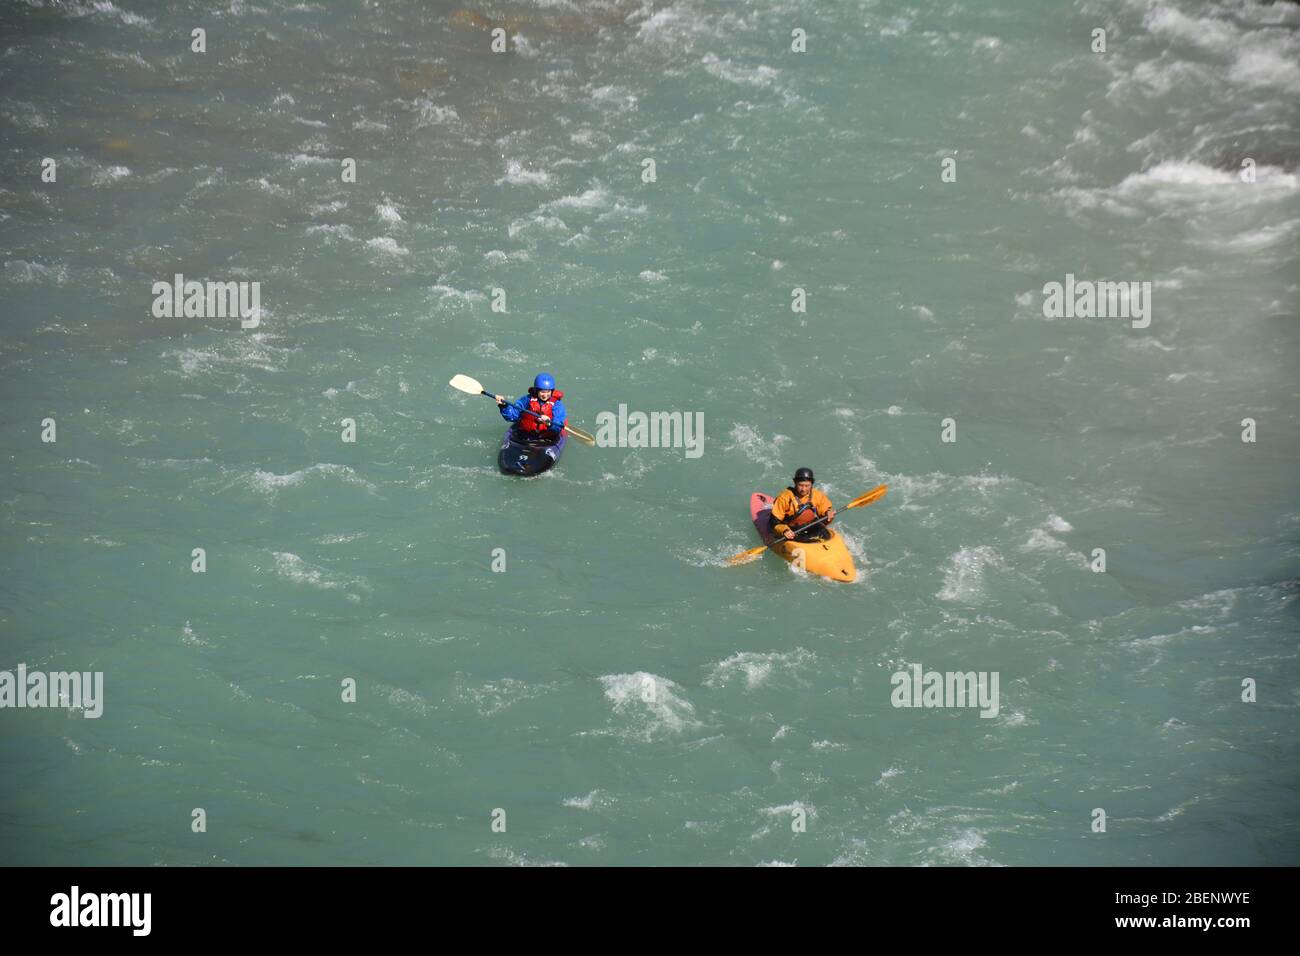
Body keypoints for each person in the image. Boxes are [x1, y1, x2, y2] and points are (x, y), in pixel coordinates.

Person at [495, 373, 567, 443]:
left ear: (552, 391)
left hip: (547, 439)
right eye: (542, 392)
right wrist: (504, 405)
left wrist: (549, 423)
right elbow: (512, 416)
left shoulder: (557, 405)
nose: (545, 395)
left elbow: (558, 425)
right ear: (536, 390)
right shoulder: (527, 400)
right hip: (525, 437)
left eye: (548, 391)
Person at [770, 467, 836, 541]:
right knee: (804, 539)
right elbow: (774, 522)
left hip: (811, 525)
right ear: (795, 483)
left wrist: (828, 513)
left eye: (807, 485)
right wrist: (785, 531)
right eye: (800, 485)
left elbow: (825, 510)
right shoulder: (784, 497)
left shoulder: (817, 495)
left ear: (811, 484)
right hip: (792, 530)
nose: (803, 489)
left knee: (826, 535)